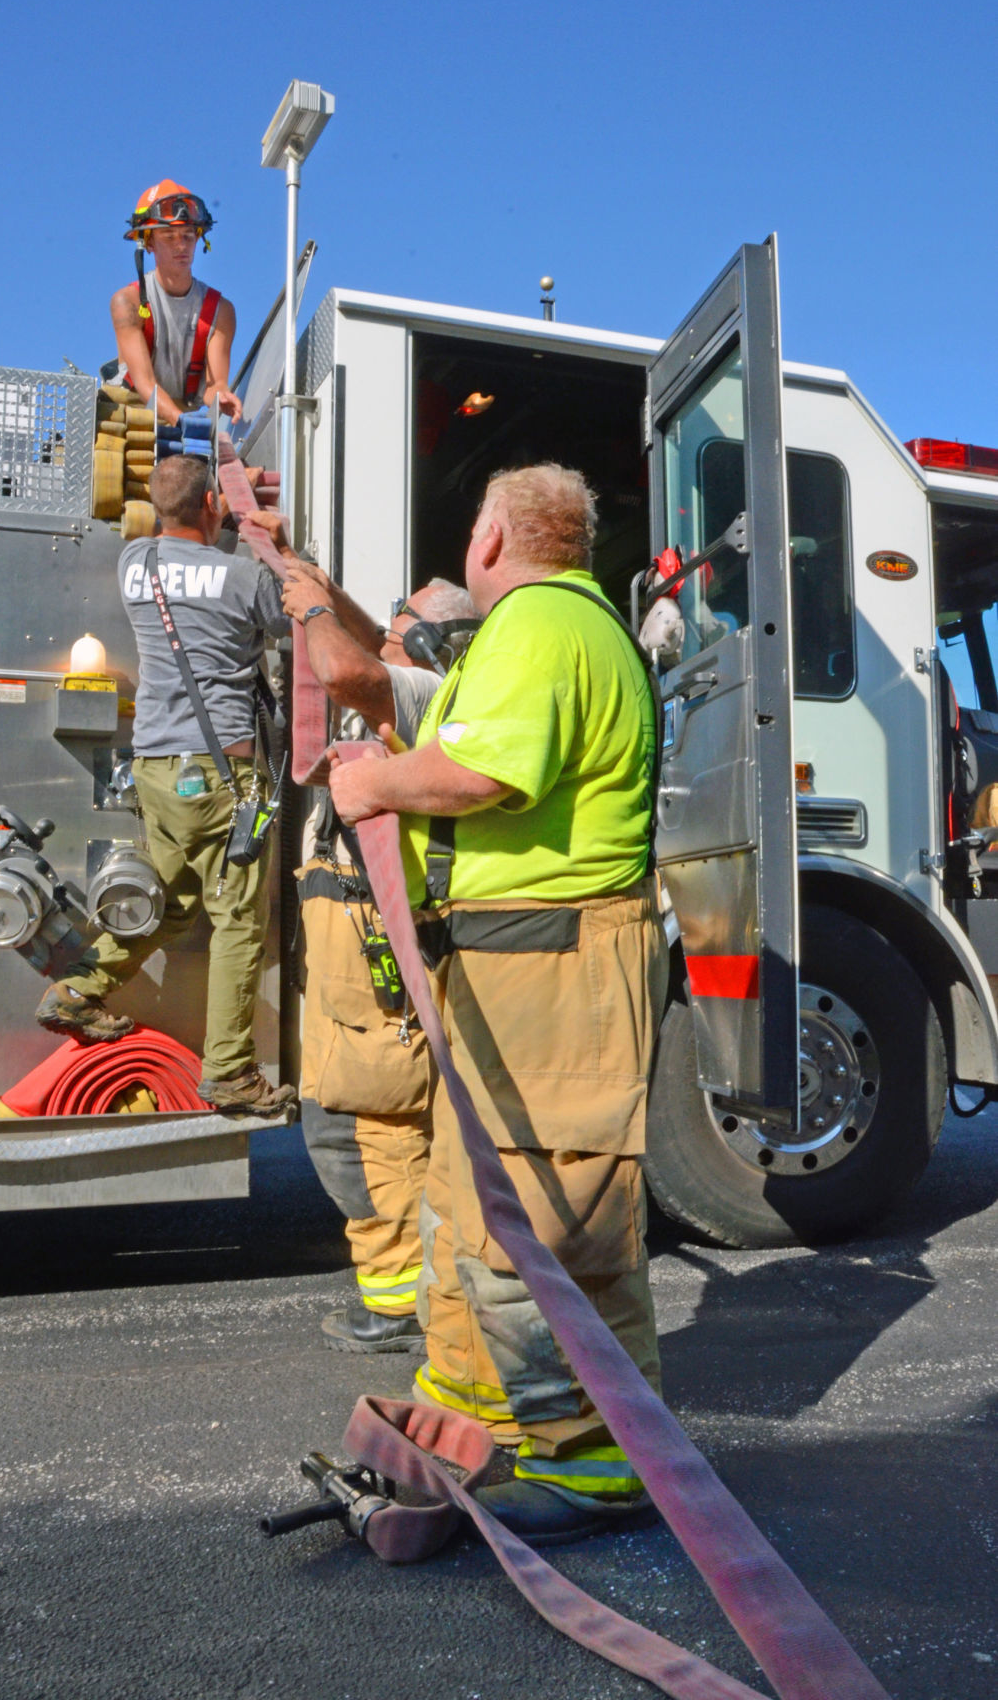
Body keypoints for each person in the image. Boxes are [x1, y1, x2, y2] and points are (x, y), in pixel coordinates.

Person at [327, 463, 668, 1545]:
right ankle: (474, 1417)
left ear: (489, 541)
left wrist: (374, 784)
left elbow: (481, 774)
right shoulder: (548, 630)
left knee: (543, 1219)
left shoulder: (539, 626)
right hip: (514, 966)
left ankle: (588, 1457)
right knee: (471, 1214)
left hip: (550, 971)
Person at [260, 523, 478, 1353]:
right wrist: (307, 576)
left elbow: (351, 665)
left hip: (369, 935)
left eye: (402, 622)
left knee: (369, 1118)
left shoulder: (426, 694)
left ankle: (398, 1301)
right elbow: (360, 644)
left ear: (434, 645)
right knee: (345, 1115)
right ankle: (395, 1289)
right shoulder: (414, 675)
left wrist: (313, 601)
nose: (387, 628)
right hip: (344, 928)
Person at [35, 454, 295, 1117]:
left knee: (173, 901)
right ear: (214, 505)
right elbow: (293, 615)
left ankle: (78, 989)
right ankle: (232, 1071)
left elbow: (184, 561)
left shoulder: (135, 565)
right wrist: (272, 541)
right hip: (223, 770)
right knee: (237, 922)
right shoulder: (243, 575)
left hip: (154, 763)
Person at [112, 181, 242, 426]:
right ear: (149, 243)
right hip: (133, 417)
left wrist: (221, 396)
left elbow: (214, 385)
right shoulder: (127, 303)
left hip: (186, 414)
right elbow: (145, 384)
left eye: (188, 236)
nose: (181, 245)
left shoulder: (220, 311)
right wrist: (182, 424)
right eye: (169, 236)